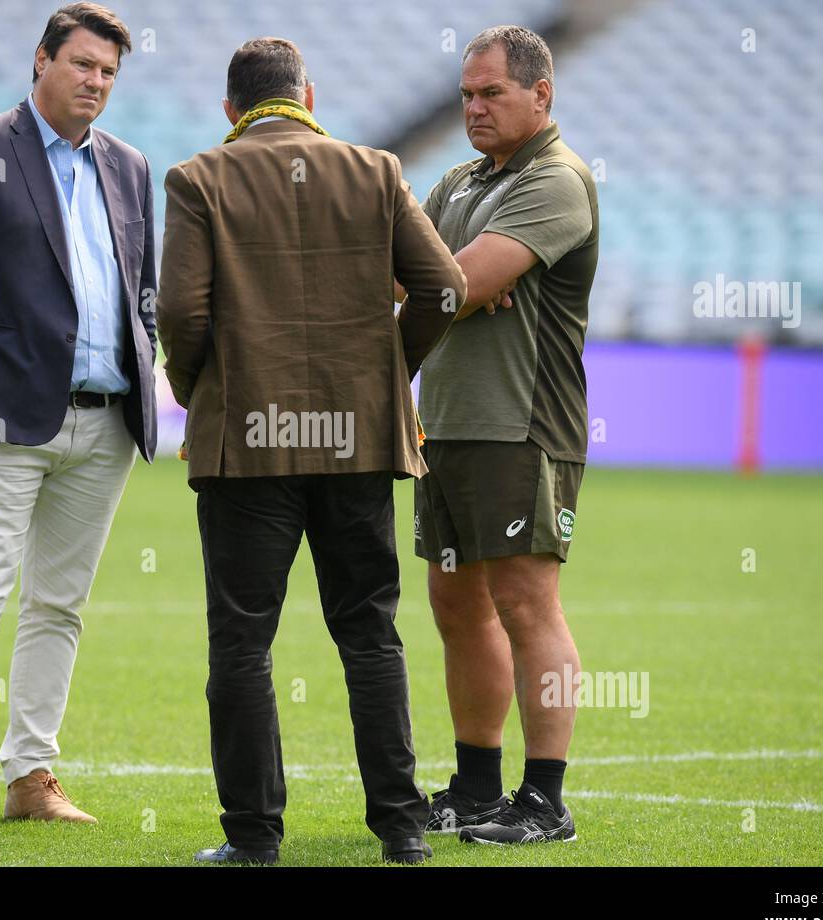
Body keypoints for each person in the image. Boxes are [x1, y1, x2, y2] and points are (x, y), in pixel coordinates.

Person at [157, 37, 466, 864]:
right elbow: (446, 287)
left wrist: (198, 391)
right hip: (356, 442)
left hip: (246, 446)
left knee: (242, 643)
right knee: (370, 635)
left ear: (232, 109)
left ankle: (254, 840)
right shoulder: (374, 171)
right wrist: (384, 373)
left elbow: (182, 314)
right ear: (309, 97)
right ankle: (402, 829)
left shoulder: (198, 180)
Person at [0, 2, 157, 828]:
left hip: (107, 421)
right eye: (82, 64)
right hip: (3, 418)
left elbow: (140, 289)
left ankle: (32, 774)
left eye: (109, 72)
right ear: (41, 60)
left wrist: (149, 374)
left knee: (60, 605)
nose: (96, 83)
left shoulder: (130, 164)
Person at [410, 25, 599, 845]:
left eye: (491, 93)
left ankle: (545, 798)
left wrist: (457, 281)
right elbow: (414, 275)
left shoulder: (557, 180)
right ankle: (478, 787)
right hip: (446, 424)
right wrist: (452, 282)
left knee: (526, 601)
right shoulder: (459, 179)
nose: (474, 108)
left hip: (522, 426)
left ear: (541, 94)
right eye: (466, 94)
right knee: (455, 602)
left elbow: (457, 281)